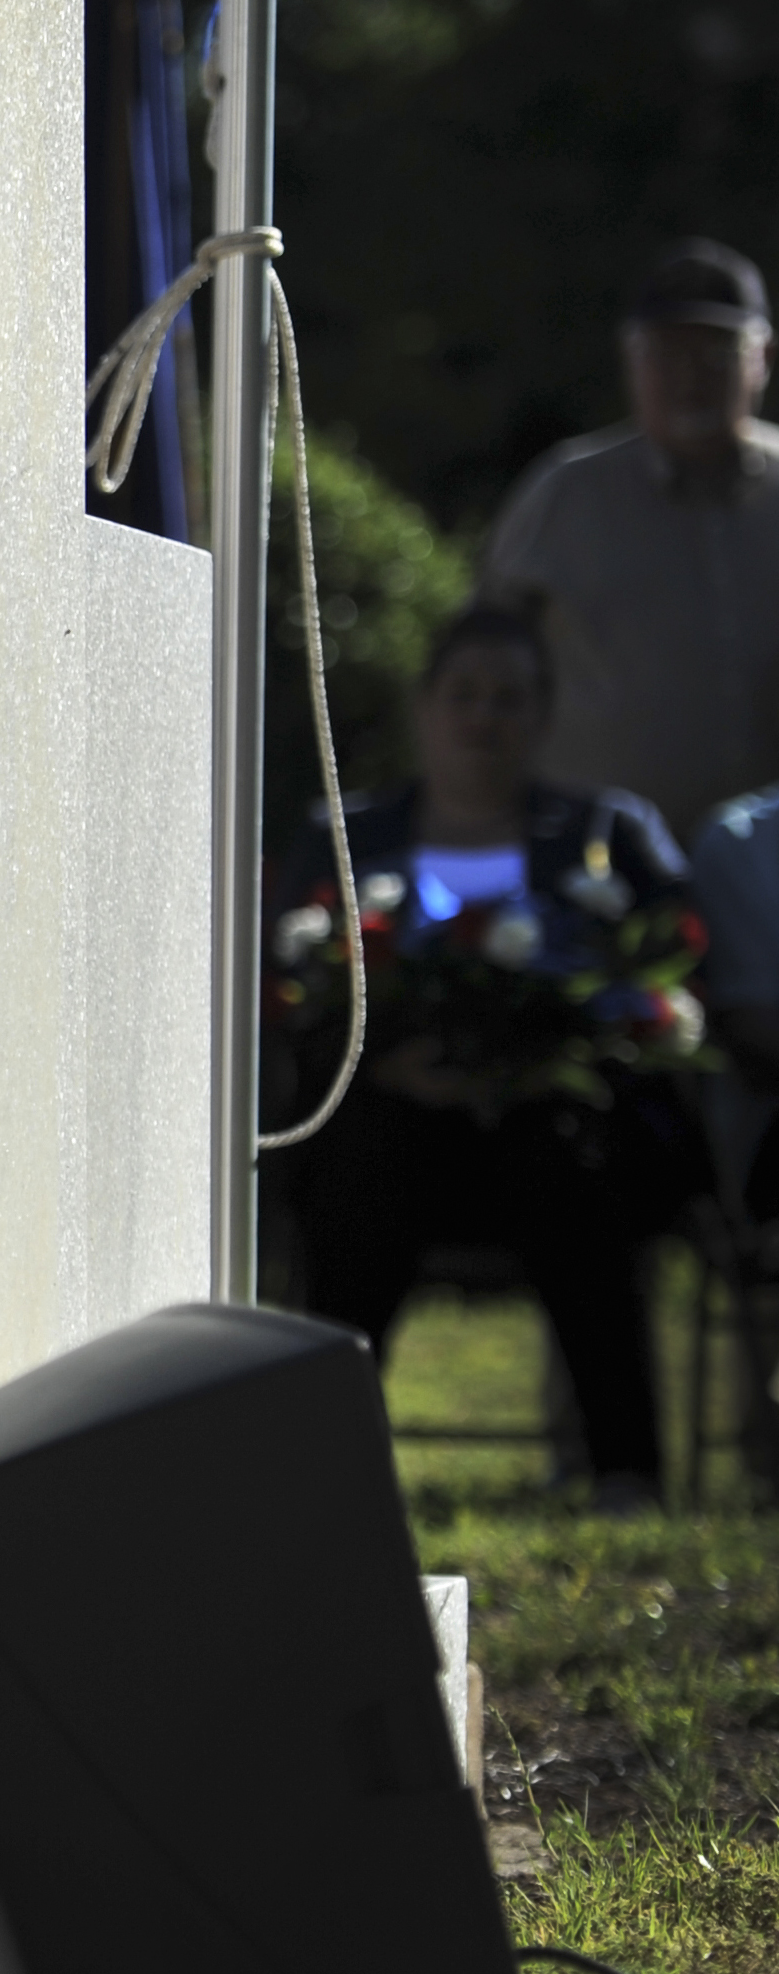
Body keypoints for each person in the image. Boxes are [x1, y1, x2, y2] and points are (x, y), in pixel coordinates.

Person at [267, 604, 700, 1512]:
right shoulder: (346, 836)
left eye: (510, 698)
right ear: (426, 708)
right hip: (392, 1120)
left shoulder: (606, 835)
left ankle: (626, 1471)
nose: (484, 717)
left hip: (548, 1131)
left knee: (574, 1167)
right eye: (464, 695)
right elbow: (287, 987)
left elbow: (662, 988)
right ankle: (318, 1470)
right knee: (362, 1171)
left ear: (542, 715)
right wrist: (382, 1059)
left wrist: (549, 1056)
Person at [479, 239, 779, 835]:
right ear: (630, 359)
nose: (689, 375)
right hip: (602, 865)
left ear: (763, 357)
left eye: (716, 353)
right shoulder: (566, 493)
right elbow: (478, 661)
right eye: (666, 353)